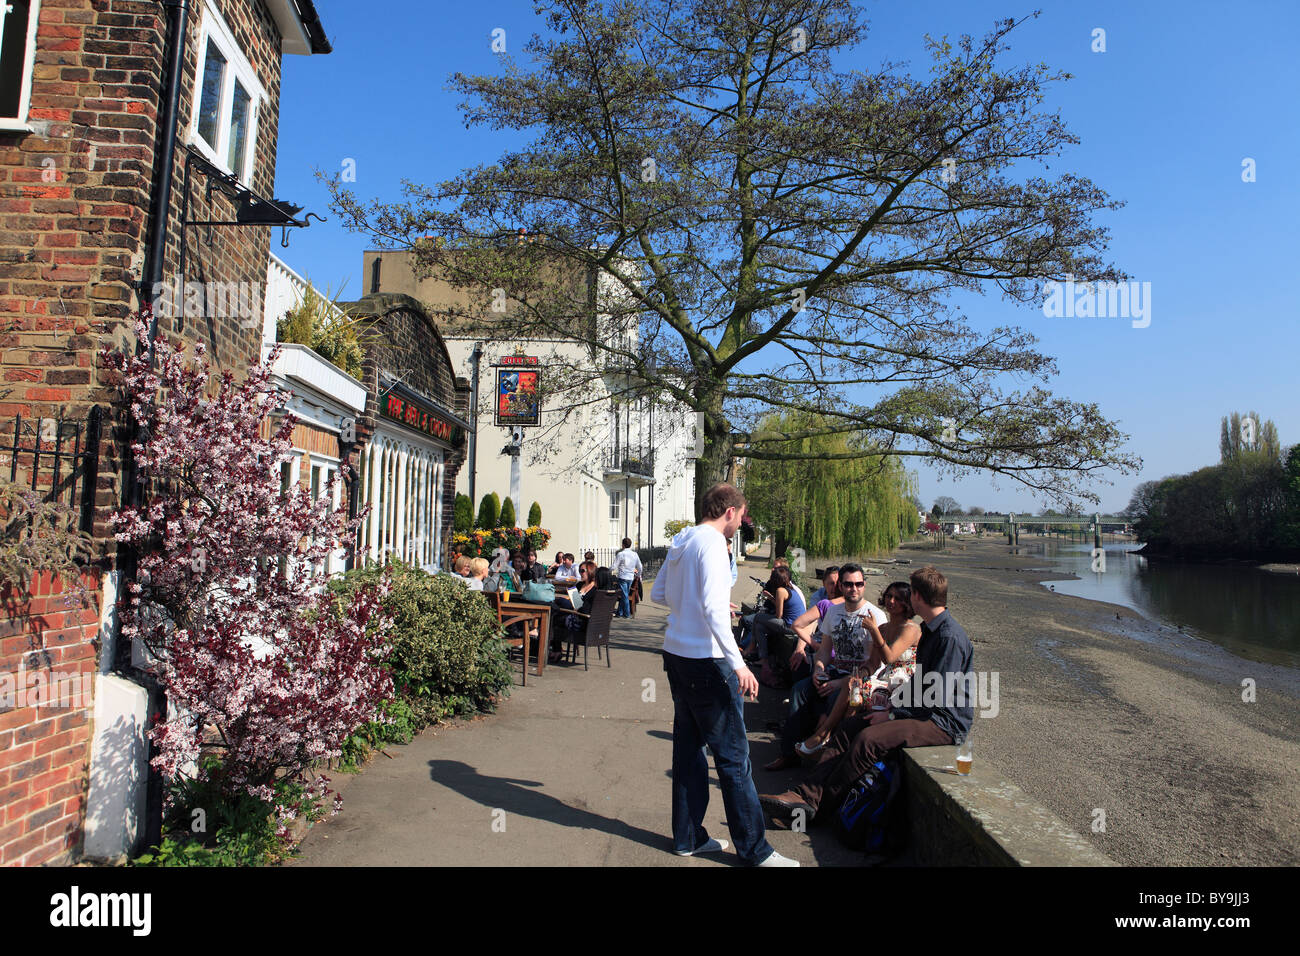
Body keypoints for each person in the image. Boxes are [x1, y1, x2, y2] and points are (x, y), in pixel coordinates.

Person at [651, 482, 797, 867]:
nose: (740, 525)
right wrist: (738, 663)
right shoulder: (714, 543)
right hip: (708, 664)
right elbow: (714, 612)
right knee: (733, 759)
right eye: (741, 516)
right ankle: (755, 851)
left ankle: (687, 838)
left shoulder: (683, 539)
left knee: (688, 752)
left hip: (677, 656)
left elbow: (660, 595)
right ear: (729, 511)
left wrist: (701, 602)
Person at [760, 566, 973, 826]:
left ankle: (817, 808)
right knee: (849, 727)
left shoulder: (948, 636)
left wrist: (892, 715)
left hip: (942, 722)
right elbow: (919, 683)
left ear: (917, 596)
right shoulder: (932, 628)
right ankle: (805, 794)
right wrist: (890, 707)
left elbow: (936, 695)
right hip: (923, 711)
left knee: (868, 741)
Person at [797, 581, 920, 754]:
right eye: (889, 596)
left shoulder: (910, 629)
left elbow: (890, 657)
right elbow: (874, 663)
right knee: (852, 684)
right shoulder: (884, 628)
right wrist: (860, 674)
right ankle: (832, 739)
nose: (891, 601)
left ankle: (827, 736)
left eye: (898, 598)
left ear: (907, 603)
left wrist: (874, 631)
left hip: (902, 683)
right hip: (885, 678)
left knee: (857, 693)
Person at [746, 565, 806, 688]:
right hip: (793, 624)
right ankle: (764, 658)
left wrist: (771, 598)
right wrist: (771, 598)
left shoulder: (780, 591)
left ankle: (751, 647)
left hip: (789, 626)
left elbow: (779, 615)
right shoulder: (790, 589)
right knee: (760, 628)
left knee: (758, 617)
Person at [613, 537, 643, 617]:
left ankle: (627, 614)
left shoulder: (620, 554)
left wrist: (608, 570)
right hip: (630, 577)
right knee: (624, 595)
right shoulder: (635, 554)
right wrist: (638, 575)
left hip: (622, 576)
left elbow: (614, 566)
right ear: (630, 545)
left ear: (623, 545)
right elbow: (640, 566)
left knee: (624, 595)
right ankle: (620, 612)